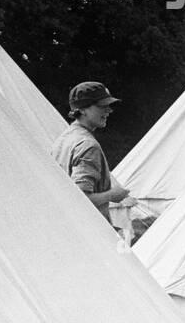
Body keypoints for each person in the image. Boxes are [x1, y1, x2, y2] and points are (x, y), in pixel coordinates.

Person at [51, 82, 130, 220]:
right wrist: (112, 195)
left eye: (108, 105)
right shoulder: (88, 146)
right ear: (82, 109)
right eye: (102, 106)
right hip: (90, 230)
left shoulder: (62, 140)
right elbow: (81, 199)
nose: (109, 110)